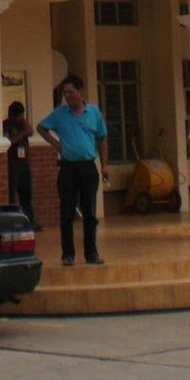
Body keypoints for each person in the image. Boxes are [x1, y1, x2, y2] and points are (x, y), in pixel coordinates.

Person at [37, 73, 108, 266]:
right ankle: (68, 254)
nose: (67, 96)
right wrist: (55, 143)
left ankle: (91, 254)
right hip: (68, 168)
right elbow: (41, 128)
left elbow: (102, 138)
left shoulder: (94, 113)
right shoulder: (60, 113)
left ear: (80, 92)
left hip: (88, 167)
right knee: (67, 212)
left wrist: (105, 165)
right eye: (65, 93)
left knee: (90, 213)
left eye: (70, 92)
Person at [3, 101, 38, 227]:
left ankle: (29, 219)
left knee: (26, 193)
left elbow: (31, 131)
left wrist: (24, 121)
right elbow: (10, 141)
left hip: (24, 162)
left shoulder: (23, 124)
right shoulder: (5, 125)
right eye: (19, 116)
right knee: (12, 193)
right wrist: (21, 134)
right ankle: (12, 219)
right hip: (13, 163)